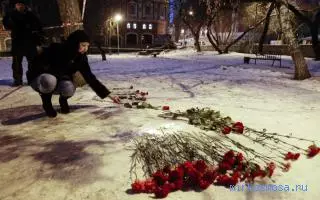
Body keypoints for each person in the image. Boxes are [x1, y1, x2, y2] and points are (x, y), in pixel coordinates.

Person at [26, 30, 121, 118]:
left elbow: (90, 78)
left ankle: (63, 100)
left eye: (87, 46)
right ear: (74, 43)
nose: (86, 49)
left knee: (69, 88)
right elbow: (37, 64)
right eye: (83, 45)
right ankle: (46, 102)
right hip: (40, 79)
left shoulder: (81, 57)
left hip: (58, 79)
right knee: (50, 80)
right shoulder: (56, 49)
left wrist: (109, 95)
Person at [2, 0, 43, 86]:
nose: (19, 6)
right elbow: (7, 24)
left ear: (24, 5)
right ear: (15, 6)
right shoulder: (11, 15)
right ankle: (18, 80)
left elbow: (38, 25)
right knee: (16, 63)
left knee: (33, 62)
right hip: (17, 41)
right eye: (18, 5)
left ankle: (32, 78)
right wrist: (7, 19)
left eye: (21, 4)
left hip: (29, 42)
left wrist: (36, 33)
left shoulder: (30, 14)